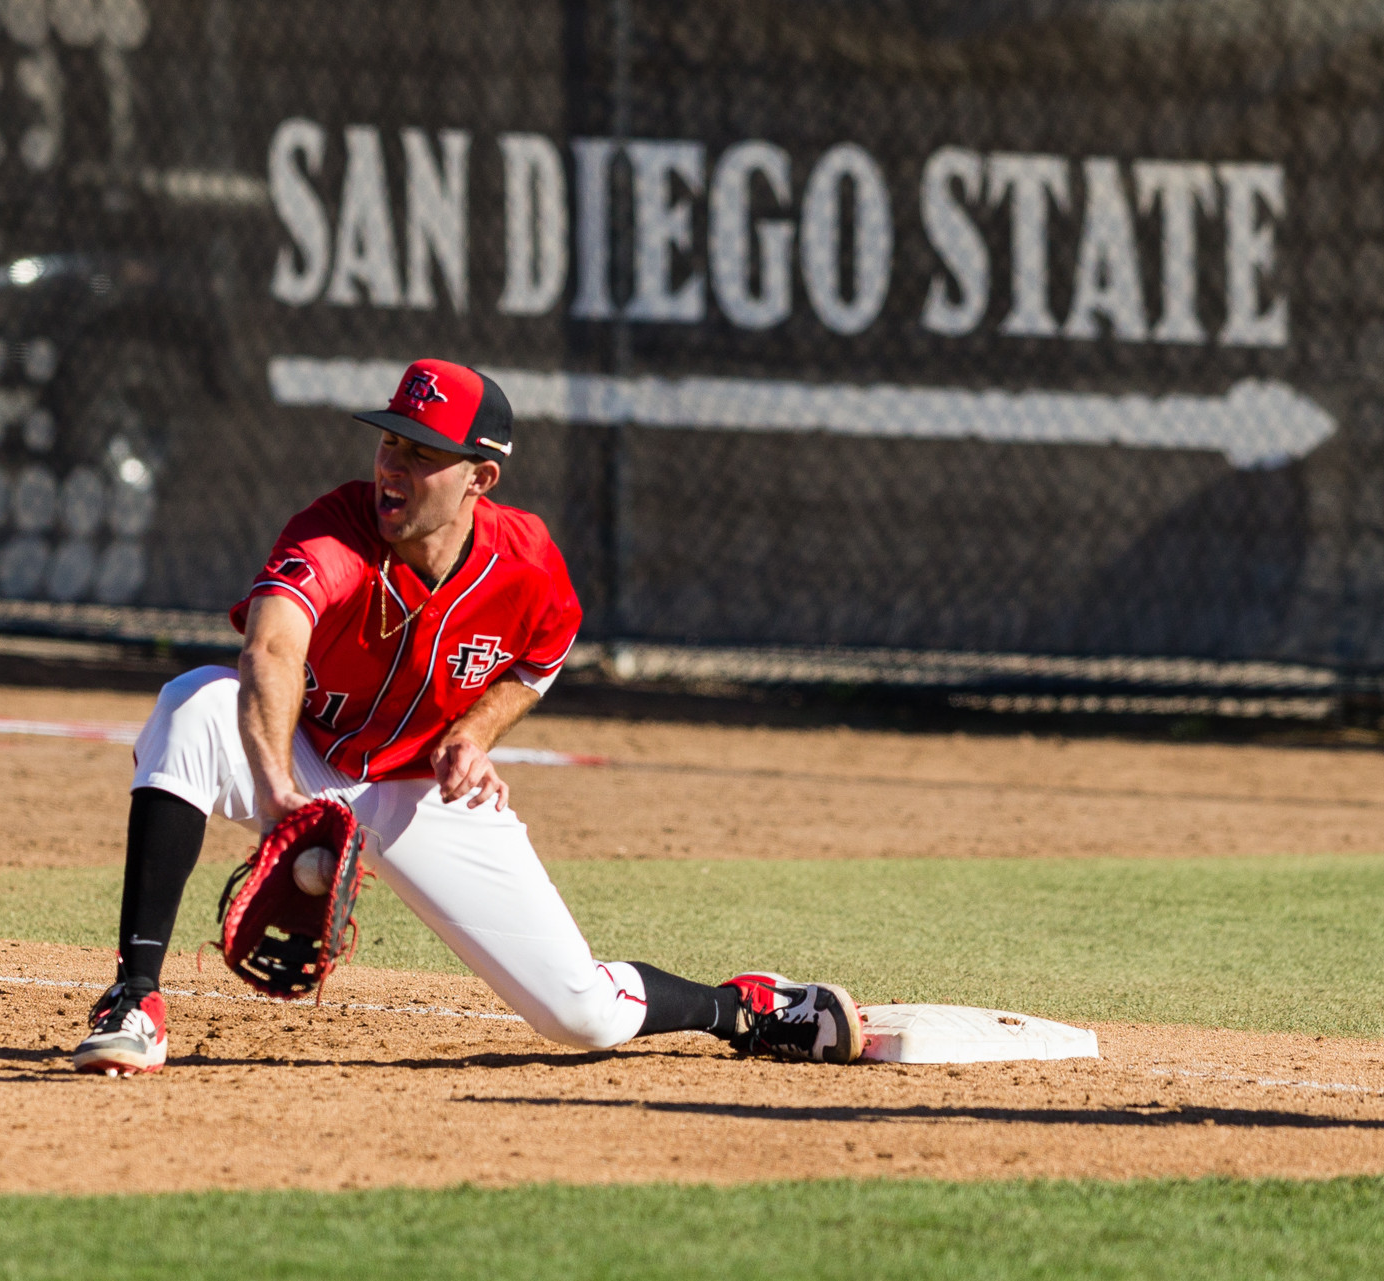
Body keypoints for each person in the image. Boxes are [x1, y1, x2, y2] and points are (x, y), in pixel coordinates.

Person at [70, 359, 862, 1074]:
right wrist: (279, 792)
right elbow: (271, 647)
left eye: (423, 453)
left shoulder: (524, 559)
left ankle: (744, 1008)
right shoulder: (334, 532)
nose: (394, 465)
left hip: (421, 796)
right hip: (305, 761)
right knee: (191, 703)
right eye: (390, 443)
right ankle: (135, 996)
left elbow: (544, 656)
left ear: (480, 478)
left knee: (578, 1013)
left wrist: (474, 733)